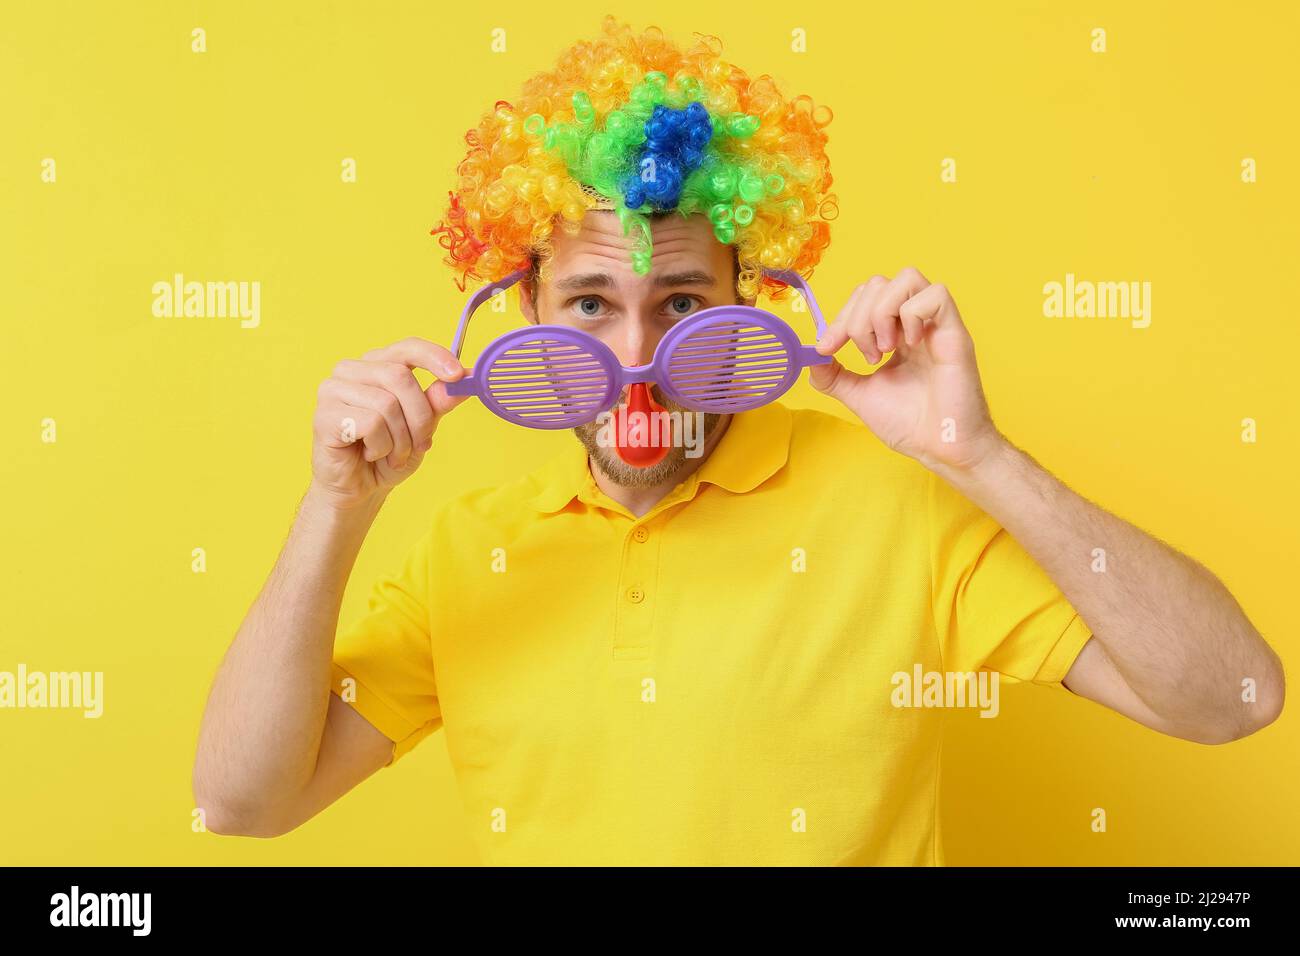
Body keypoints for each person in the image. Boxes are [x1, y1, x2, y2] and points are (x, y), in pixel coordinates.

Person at [192, 18, 1283, 865]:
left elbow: (1233, 697)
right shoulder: (468, 551)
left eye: (679, 301)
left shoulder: (893, 500)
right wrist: (338, 505)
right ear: (522, 313)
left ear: (745, 302)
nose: (636, 355)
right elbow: (240, 802)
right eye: (588, 305)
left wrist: (979, 455)